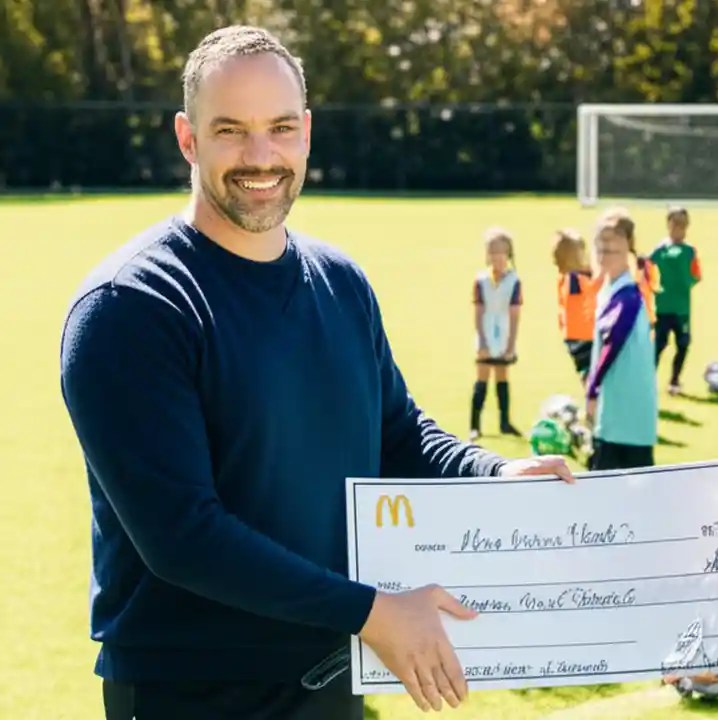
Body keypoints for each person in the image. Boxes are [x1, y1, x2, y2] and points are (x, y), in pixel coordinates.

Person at [58, 26, 574, 720]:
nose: (261, 156)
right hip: (192, 695)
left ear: (306, 131)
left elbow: (397, 434)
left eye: (279, 128)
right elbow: (182, 537)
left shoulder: (340, 281)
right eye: (231, 131)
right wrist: (372, 612)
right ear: (188, 139)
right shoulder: (132, 306)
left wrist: (493, 475)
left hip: (335, 676)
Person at [583, 214, 658, 471]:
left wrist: (591, 390)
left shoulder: (627, 296)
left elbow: (611, 345)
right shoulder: (609, 289)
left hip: (625, 412)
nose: (605, 256)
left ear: (628, 248)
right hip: (617, 410)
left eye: (612, 250)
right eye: (600, 249)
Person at [471, 227, 523, 440]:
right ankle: (474, 425)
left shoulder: (514, 281)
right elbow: (478, 311)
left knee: (502, 375)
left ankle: (505, 422)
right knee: (482, 375)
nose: (497, 257)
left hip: (504, 333)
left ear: (508, 254)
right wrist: (482, 340)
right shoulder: (481, 280)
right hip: (485, 331)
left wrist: (511, 345)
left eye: (501, 252)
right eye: (492, 252)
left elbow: (514, 314)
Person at [649, 205, 701, 395]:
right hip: (662, 308)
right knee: (658, 345)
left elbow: (696, 275)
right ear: (668, 224)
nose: (678, 228)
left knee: (683, 343)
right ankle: (648, 379)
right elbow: (646, 271)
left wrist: (682, 284)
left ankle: (674, 380)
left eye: (682, 224)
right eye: (675, 223)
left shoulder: (690, 252)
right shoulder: (658, 250)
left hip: (682, 309)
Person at [553, 228, 595, 384]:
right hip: (582, 335)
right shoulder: (572, 279)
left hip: (581, 333)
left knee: (592, 372)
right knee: (590, 373)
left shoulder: (575, 277)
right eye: (581, 251)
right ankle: (595, 405)